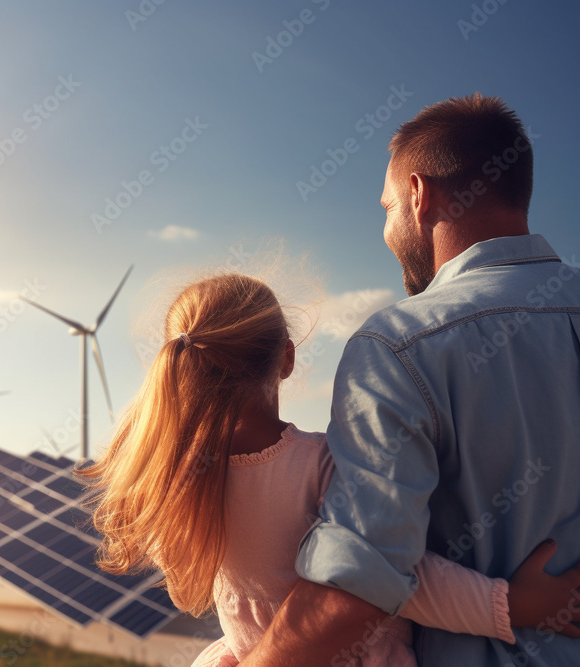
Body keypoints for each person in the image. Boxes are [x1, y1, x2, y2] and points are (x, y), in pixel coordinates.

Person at [76, 271, 580, 666]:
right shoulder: (319, 463)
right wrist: (510, 606)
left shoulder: (176, 483)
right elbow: (390, 576)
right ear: (287, 359)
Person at [243, 94, 580, 666]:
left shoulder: (398, 347)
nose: (386, 226)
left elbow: (359, 583)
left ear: (419, 196)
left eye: (386, 206)